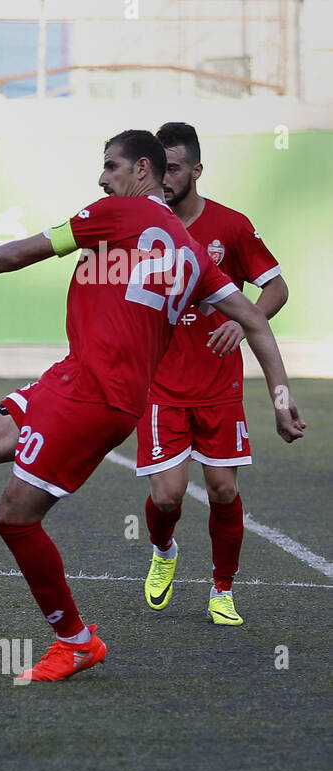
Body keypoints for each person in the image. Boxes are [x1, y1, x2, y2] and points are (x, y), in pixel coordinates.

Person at [0, 130, 303, 681]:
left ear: (142, 169)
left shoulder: (120, 214)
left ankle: (76, 641)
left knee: (15, 517)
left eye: (111, 166)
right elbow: (256, 317)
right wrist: (280, 399)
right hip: (75, 378)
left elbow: (30, 249)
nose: (101, 178)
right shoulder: (188, 250)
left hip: (97, 394)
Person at [137, 122, 288, 626]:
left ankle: (221, 590)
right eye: (159, 168)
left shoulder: (231, 226)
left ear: (196, 171)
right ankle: (163, 551)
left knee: (223, 489)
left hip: (219, 387)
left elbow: (276, 288)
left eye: (174, 168)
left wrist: (245, 327)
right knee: (167, 496)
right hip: (160, 385)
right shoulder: (140, 225)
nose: (164, 178)